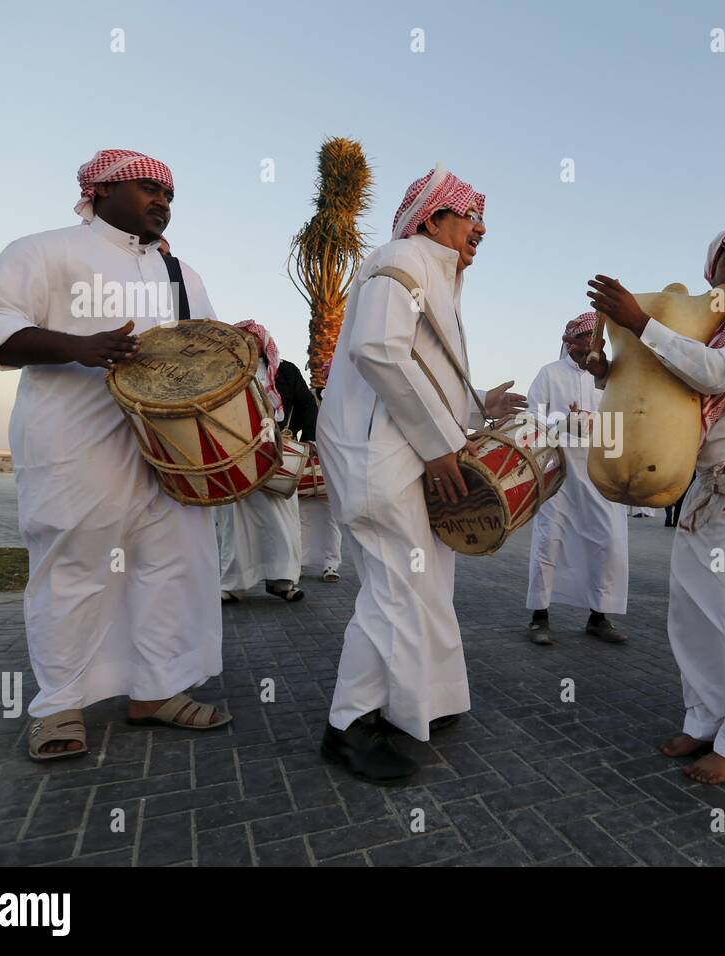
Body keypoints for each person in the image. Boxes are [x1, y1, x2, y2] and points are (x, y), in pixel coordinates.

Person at [0, 148, 231, 760]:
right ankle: (59, 705)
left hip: (171, 449)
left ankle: (156, 692)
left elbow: (208, 350)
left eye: (169, 194)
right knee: (74, 566)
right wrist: (77, 346)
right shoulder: (45, 250)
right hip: (73, 441)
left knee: (171, 565)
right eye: (147, 188)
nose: (161, 201)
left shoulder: (179, 273)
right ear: (100, 192)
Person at [316, 164, 525, 784]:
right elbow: (378, 351)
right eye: (469, 217)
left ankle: (423, 704)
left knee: (427, 584)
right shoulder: (402, 257)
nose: (480, 229)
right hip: (381, 455)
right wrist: (440, 444)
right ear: (432, 219)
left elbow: (421, 373)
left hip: (413, 453)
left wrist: (480, 402)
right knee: (395, 589)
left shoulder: (436, 276)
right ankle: (347, 726)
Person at [586, 214, 725, 786]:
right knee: (693, 613)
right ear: (713, 270)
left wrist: (641, 324)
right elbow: (668, 388)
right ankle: (706, 719)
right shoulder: (713, 329)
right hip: (710, 491)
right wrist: (609, 368)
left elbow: (718, 375)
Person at [525, 313, 630, 645]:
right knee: (549, 541)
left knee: (607, 541)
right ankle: (539, 616)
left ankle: (598, 616)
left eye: (596, 341)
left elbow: (617, 425)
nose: (591, 348)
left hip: (598, 475)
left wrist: (598, 427)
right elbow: (531, 422)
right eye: (586, 340)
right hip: (559, 474)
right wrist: (563, 424)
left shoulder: (608, 379)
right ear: (571, 342)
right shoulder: (549, 375)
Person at [215, 320, 305, 602]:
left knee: (281, 516)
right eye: (242, 341)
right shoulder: (227, 372)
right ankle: (232, 584)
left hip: (276, 450)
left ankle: (283, 581)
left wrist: (308, 441)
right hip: (238, 451)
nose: (249, 345)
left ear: (263, 343)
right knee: (235, 518)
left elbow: (306, 404)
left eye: (253, 340)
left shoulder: (286, 371)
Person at [299, 358, 343, 581]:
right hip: (308, 462)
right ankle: (300, 562)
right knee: (303, 515)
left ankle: (330, 564)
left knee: (330, 517)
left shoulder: (349, 399)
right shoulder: (313, 395)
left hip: (335, 463)